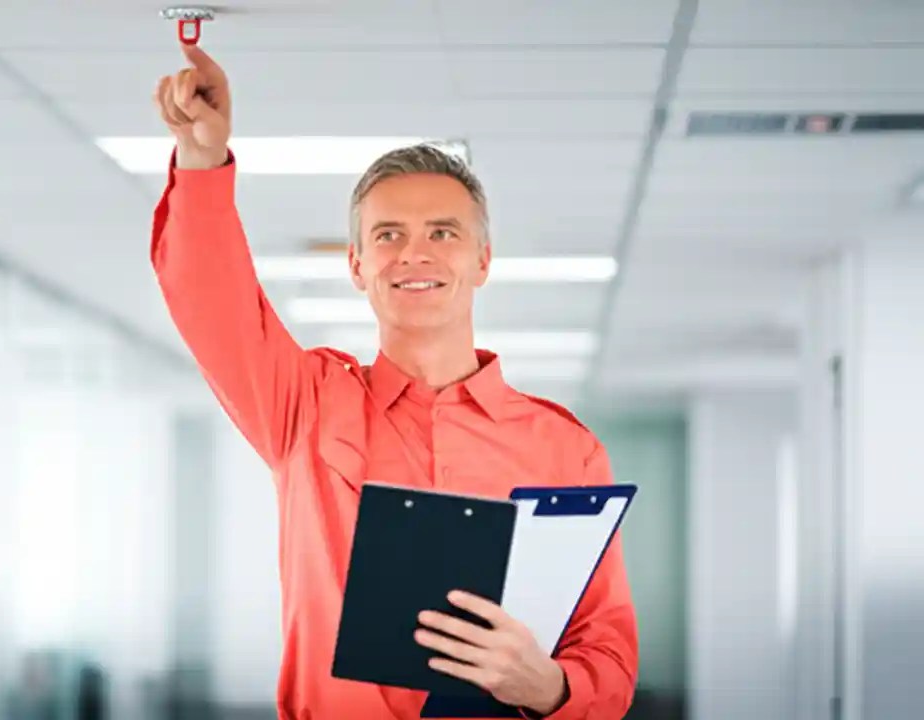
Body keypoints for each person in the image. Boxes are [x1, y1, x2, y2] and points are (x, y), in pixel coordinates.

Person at [150, 43, 638, 720]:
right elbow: (210, 300)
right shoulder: (306, 406)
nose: (414, 252)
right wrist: (202, 157)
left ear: (482, 261)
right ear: (355, 265)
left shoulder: (565, 450)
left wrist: (549, 686)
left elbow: (607, 650)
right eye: (387, 235)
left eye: (443, 232)